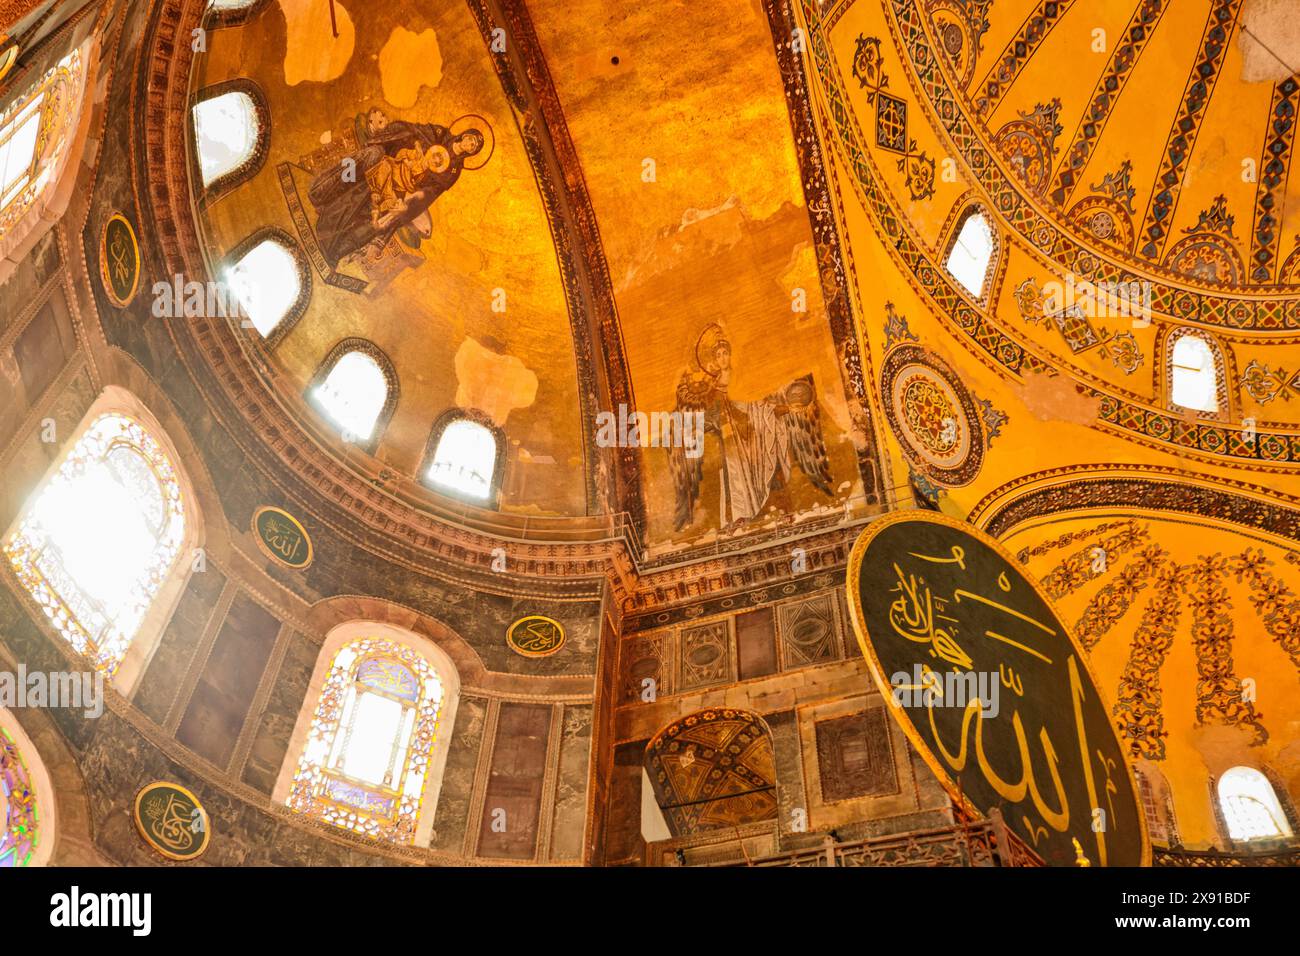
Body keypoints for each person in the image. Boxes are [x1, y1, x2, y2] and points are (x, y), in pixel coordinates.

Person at [306, 109, 485, 266]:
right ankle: (322, 192)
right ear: (465, 134)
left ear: (472, 152)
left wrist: (406, 204)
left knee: (385, 218)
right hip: (389, 163)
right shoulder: (438, 134)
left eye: (473, 147)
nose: (469, 144)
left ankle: (336, 251)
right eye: (470, 140)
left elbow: (429, 194)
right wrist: (392, 139)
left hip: (401, 189)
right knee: (371, 154)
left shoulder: (453, 172)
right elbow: (409, 130)